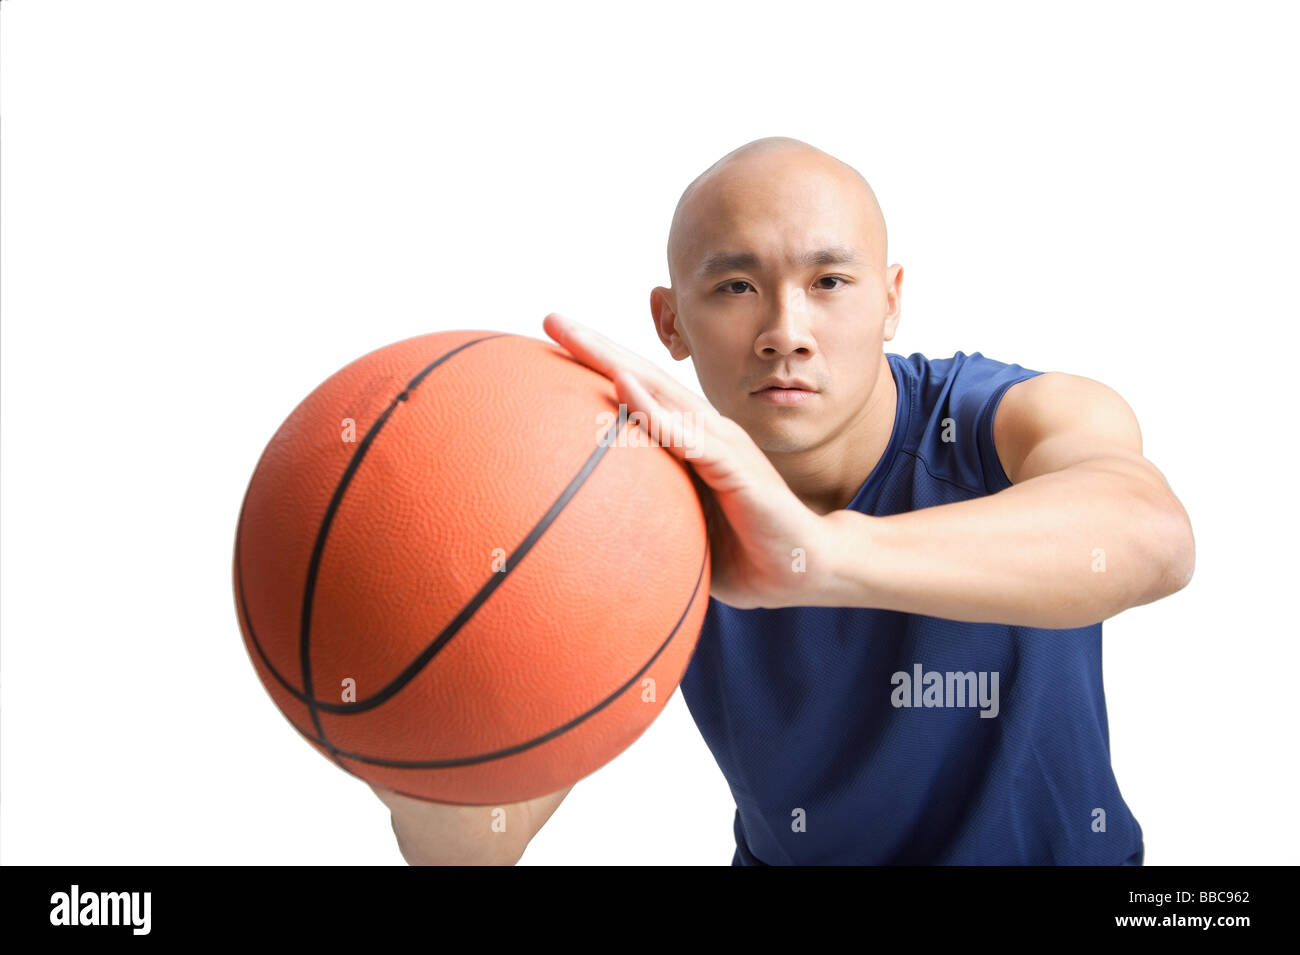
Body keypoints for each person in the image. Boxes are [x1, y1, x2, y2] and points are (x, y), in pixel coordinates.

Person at [371, 136, 1195, 865]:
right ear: (671, 323)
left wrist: (819, 554)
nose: (785, 330)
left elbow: (1153, 536)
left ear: (891, 300)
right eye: (734, 286)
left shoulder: (1003, 420)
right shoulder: (635, 515)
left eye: (830, 280)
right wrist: (410, 724)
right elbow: (484, 842)